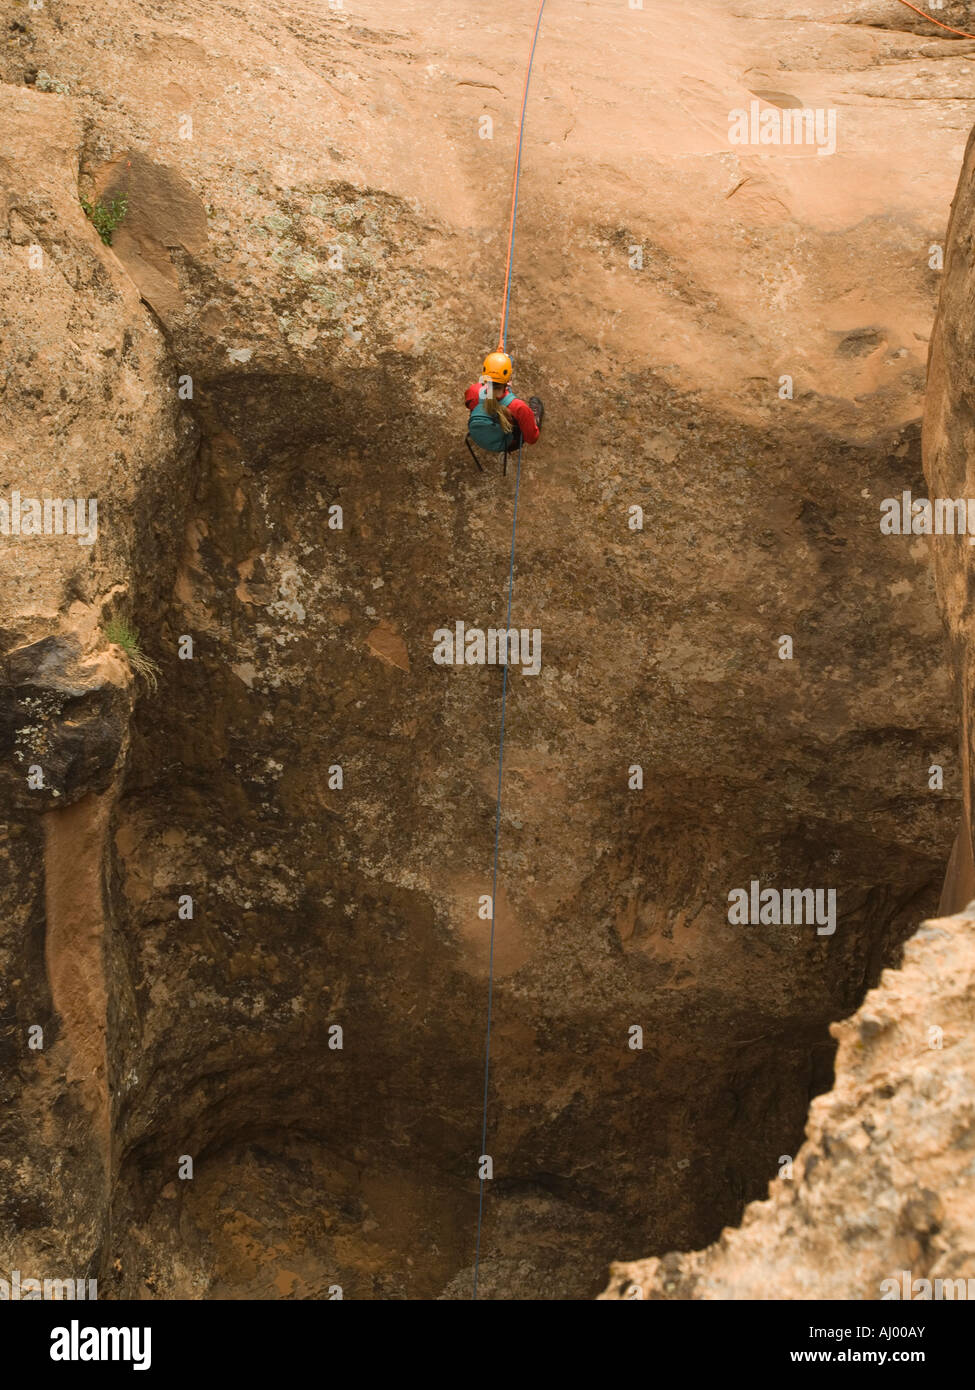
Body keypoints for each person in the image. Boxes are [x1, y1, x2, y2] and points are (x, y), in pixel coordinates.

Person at [465, 352, 544, 456]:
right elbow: (531, 439)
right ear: (509, 381)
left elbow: (469, 405)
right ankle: (534, 419)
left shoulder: (473, 391)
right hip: (507, 443)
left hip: (478, 436)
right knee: (527, 420)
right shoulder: (518, 407)